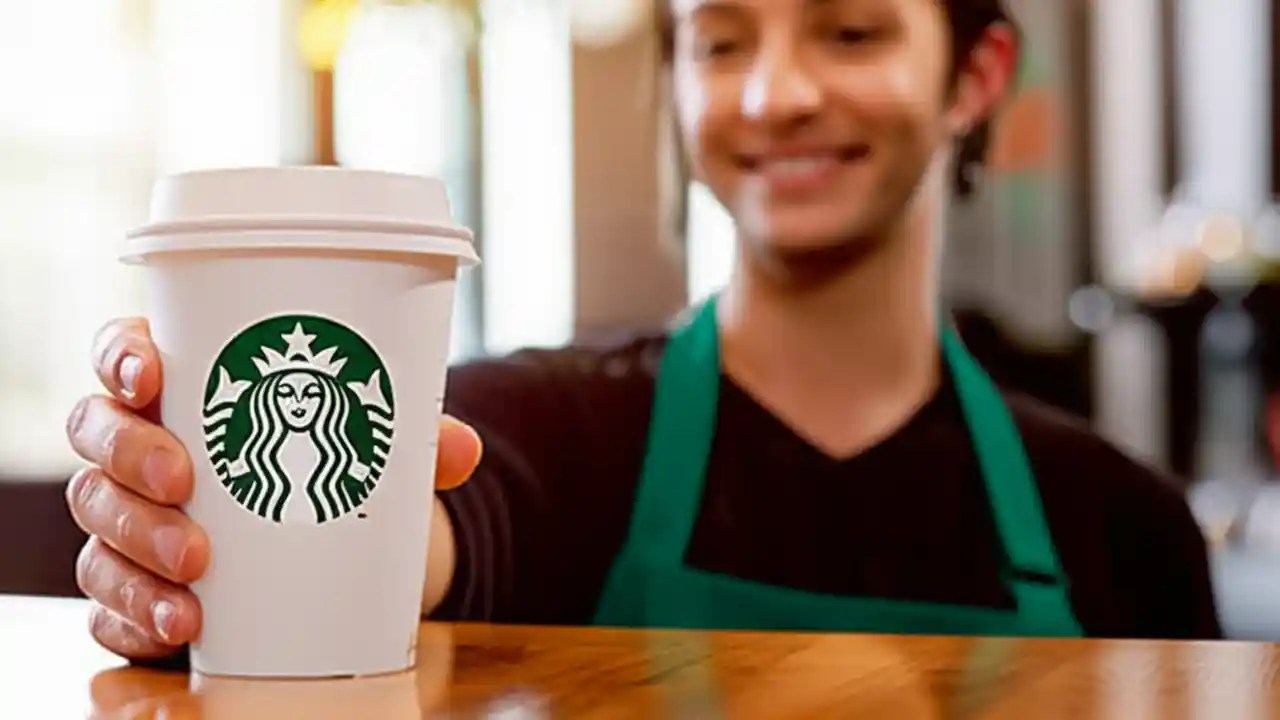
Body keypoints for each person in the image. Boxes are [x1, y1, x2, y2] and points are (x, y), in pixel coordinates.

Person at [64, 0, 1222, 663]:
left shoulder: (1120, 523)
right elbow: (417, 521)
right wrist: (203, 541)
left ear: (973, 76)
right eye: (720, 43)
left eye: (851, 32)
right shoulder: (547, 431)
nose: (772, 96)